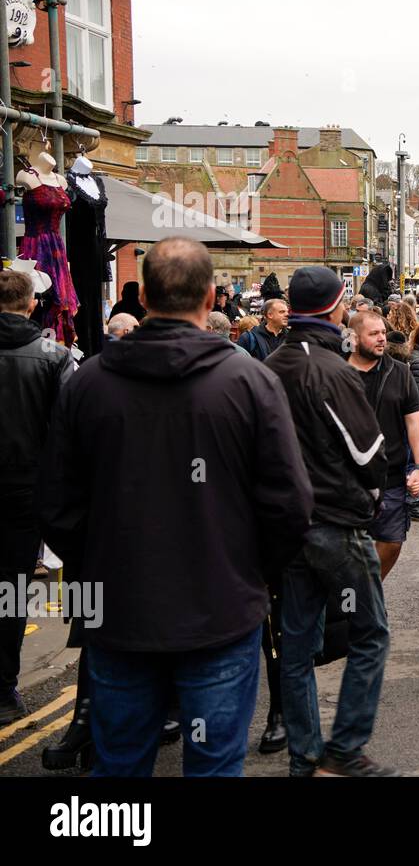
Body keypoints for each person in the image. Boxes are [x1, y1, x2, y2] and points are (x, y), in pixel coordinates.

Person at [38, 238, 313, 776]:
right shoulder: (250, 382)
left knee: (119, 768)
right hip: (221, 613)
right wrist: (251, 574)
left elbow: (57, 505)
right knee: (212, 767)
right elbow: (291, 505)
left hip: (120, 613)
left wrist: (97, 566)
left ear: (142, 300)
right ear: (211, 297)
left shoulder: (87, 383)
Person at [264, 265, 395, 777]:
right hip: (335, 523)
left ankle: (305, 757)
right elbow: (368, 454)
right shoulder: (331, 370)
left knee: (295, 648)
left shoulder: (269, 365)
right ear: (333, 307)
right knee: (371, 634)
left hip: (287, 527)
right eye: (343, 302)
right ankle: (344, 750)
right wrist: (373, 489)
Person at [0, 268, 75, 723]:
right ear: (32, 305)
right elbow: (67, 433)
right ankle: (5, 689)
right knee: (11, 589)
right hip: (25, 492)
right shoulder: (53, 355)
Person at [346, 310, 419, 580]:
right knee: (348, 545)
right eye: (374, 334)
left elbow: (415, 423)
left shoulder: (400, 372)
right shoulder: (337, 372)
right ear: (354, 339)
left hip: (390, 476)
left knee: (392, 542)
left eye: (383, 332)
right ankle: (352, 601)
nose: (382, 339)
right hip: (346, 478)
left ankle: (369, 589)